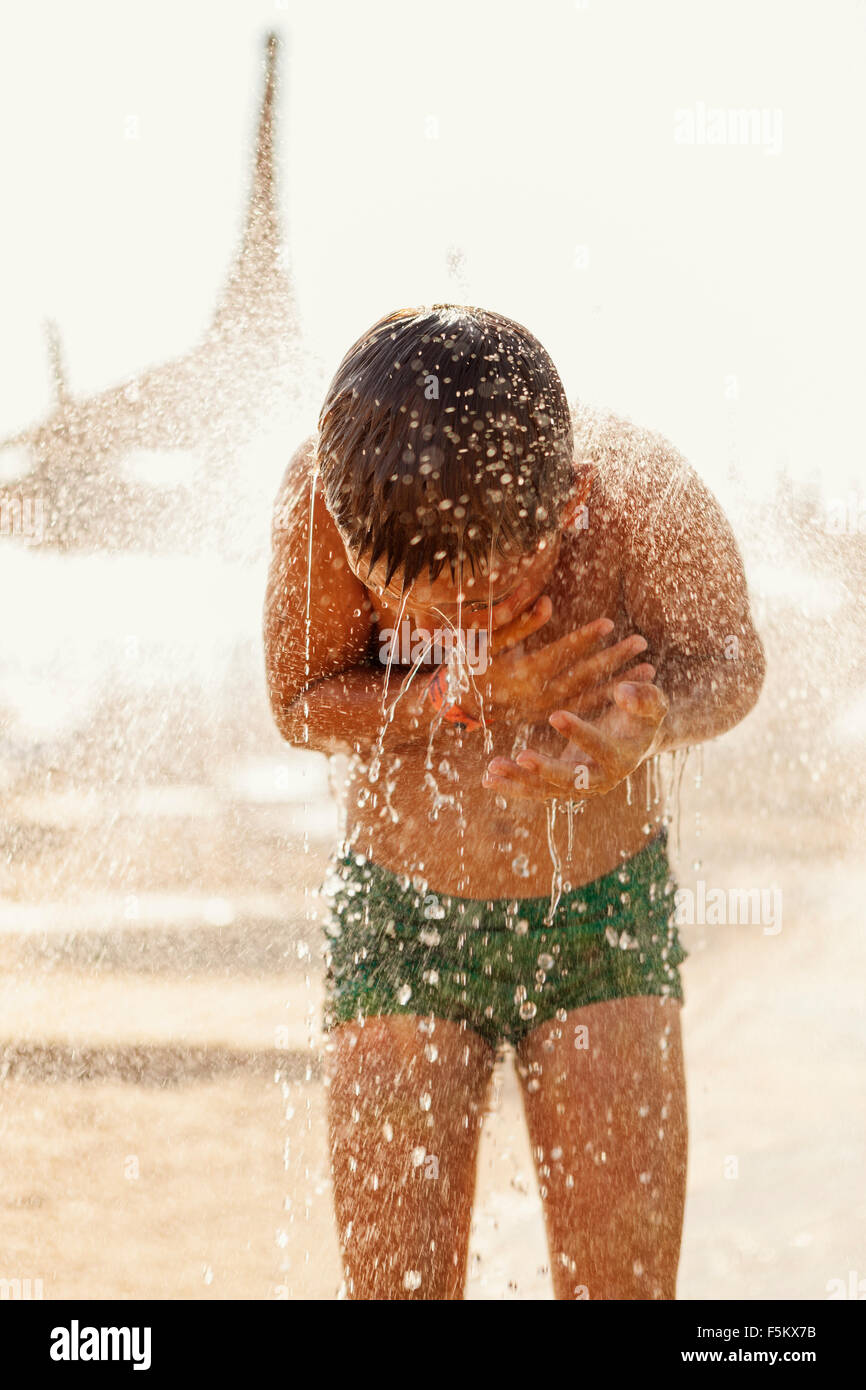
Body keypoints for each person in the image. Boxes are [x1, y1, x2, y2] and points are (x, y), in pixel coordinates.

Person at [263, 304, 765, 1299]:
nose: (445, 620)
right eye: (408, 597)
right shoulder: (329, 496)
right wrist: (453, 692)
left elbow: (735, 662)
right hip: (401, 923)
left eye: (482, 591)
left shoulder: (645, 495)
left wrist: (654, 720)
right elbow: (299, 702)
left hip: (600, 919)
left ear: (571, 498)